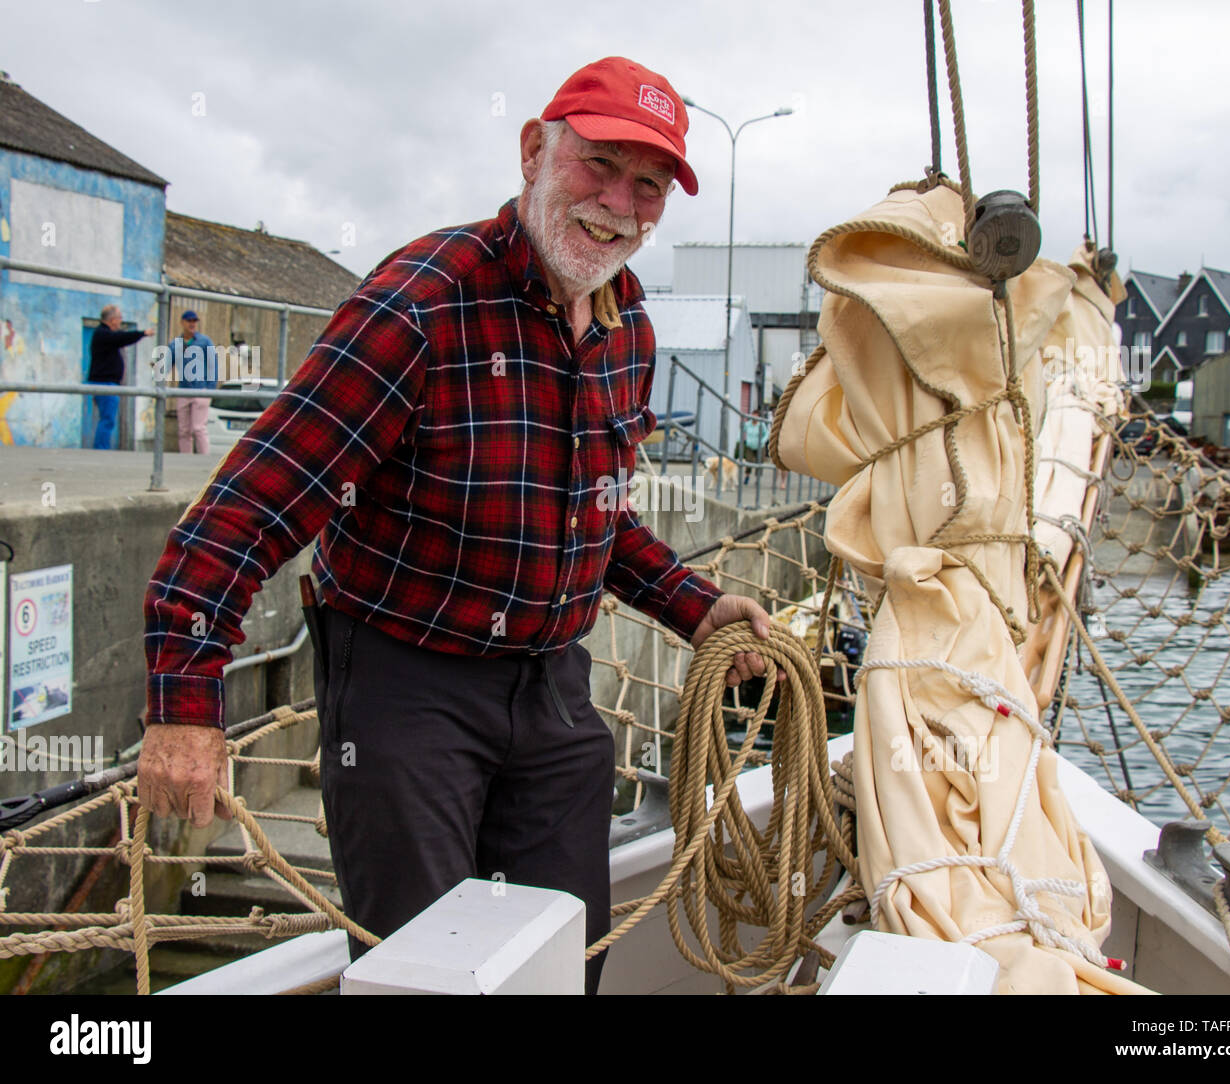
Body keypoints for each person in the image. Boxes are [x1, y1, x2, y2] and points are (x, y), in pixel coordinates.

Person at [138, 57, 783, 996]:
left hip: (555, 691)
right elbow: (246, 511)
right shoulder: (421, 304)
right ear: (533, 151)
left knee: (565, 962)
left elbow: (595, 518)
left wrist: (697, 607)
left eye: (647, 186)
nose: (618, 203)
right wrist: (183, 712)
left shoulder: (629, 327)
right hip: (407, 691)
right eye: (597, 166)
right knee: (424, 977)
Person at [87, 305, 153, 450]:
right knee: (107, 419)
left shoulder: (104, 334)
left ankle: (101, 447)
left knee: (106, 418)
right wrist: (143, 333)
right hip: (104, 383)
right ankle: (101, 449)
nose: (120, 322)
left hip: (107, 383)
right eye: (119, 319)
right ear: (112, 320)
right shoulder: (103, 334)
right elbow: (122, 338)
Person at [169, 310, 217, 453]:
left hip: (200, 388)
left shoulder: (204, 341)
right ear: (182, 322)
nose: (192, 324)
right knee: (184, 430)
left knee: (198, 428)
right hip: (183, 389)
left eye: (194, 321)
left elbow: (212, 364)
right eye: (189, 321)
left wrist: (210, 389)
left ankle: (203, 458)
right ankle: (186, 460)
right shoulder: (175, 344)